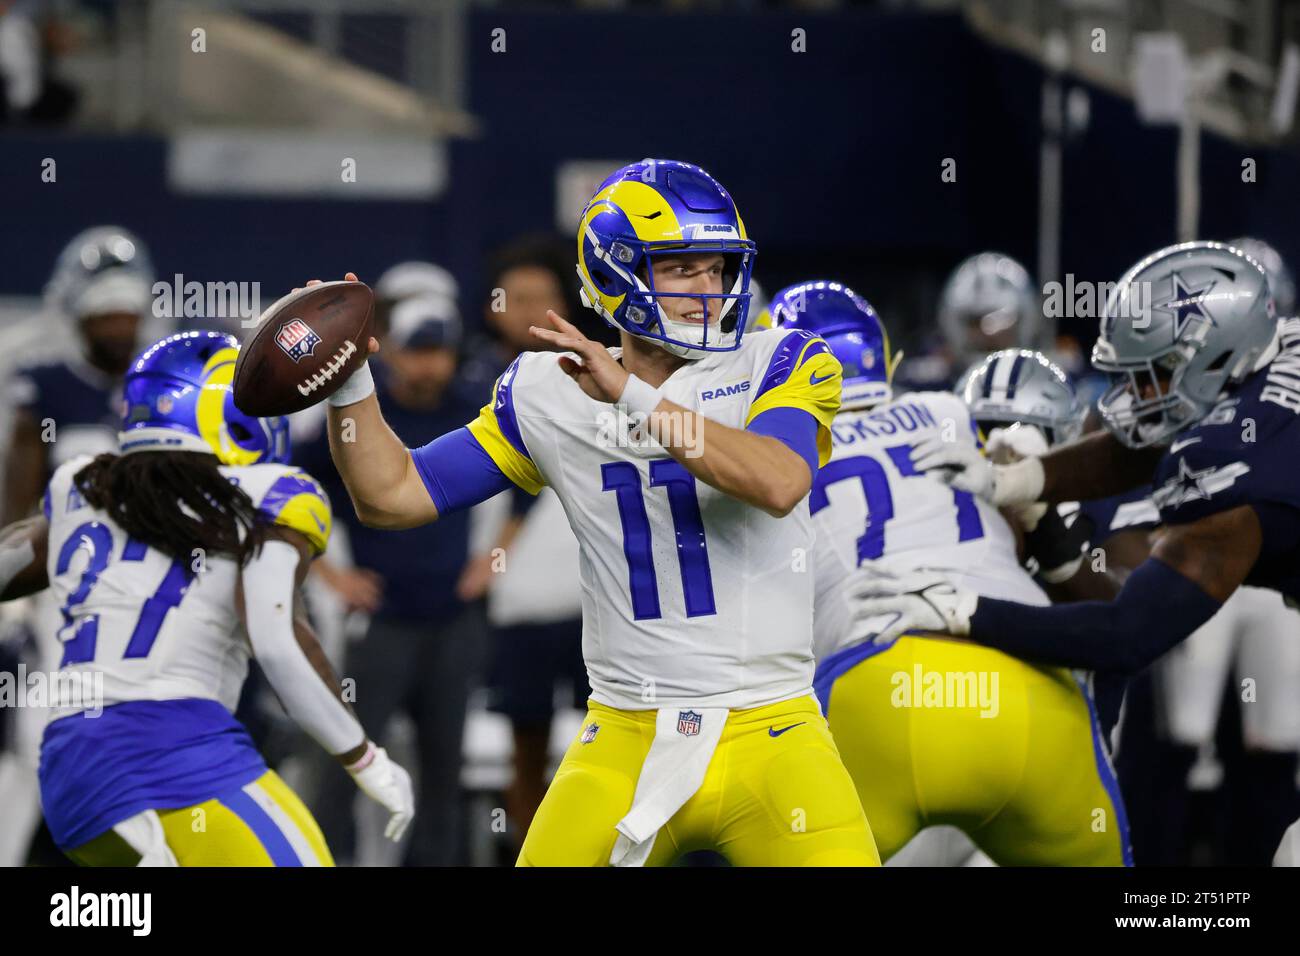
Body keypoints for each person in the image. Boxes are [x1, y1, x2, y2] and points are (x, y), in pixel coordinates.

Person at [307, 159, 878, 866]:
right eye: (682, 269)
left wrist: (631, 398)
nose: (709, 291)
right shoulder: (551, 391)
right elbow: (391, 496)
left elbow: (779, 479)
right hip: (624, 736)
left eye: (719, 269)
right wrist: (347, 385)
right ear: (616, 276)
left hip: (774, 728)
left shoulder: (781, 358)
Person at [848, 240, 1300, 862]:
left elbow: (1126, 634)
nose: (1137, 395)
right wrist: (1017, 480)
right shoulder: (1267, 358)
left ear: (1219, 358)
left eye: (1155, 375)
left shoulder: (1240, 482)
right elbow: (1145, 442)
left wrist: (966, 611)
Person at [0, 331, 414, 865]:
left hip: (70, 773)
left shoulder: (84, 486)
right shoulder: (266, 492)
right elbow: (279, 639)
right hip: (176, 753)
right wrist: (363, 758)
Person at [770, 280, 1129, 866]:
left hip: (879, 681)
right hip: (1029, 673)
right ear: (887, 363)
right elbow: (1028, 524)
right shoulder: (953, 412)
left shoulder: (764, 461)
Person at [295, 296, 486, 866]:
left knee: (443, 767)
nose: (430, 364)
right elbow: (290, 487)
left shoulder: (474, 407)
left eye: (441, 351)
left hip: (453, 618)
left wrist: (495, 556)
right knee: (344, 754)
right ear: (394, 351)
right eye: (419, 350)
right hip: (380, 621)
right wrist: (330, 573)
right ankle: (329, 860)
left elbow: (530, 481)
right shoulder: (365, 412)